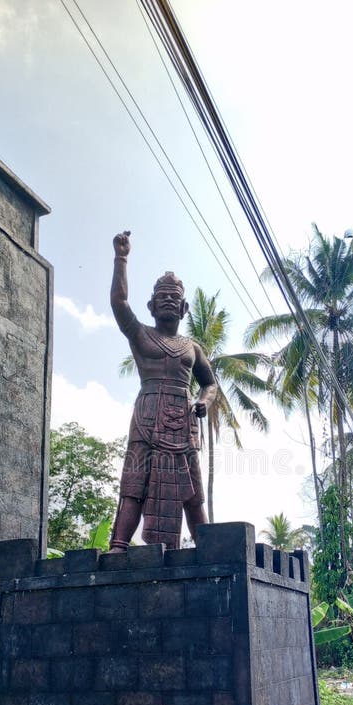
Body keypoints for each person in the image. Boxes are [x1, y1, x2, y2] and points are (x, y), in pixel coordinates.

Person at [108, 231, 217, 551]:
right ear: (151, 306)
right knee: (134, 482)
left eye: (174, 298)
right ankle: (119, 544)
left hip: (183, 420)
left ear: (184, 309)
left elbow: (210, 382)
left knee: (192, 488)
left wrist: (203, 401)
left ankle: (206, 545)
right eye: (162, 297)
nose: (168, 301)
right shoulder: (140, 334)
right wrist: (121, 258)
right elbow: (119, 302)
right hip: (147, 414)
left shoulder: (192, 348)